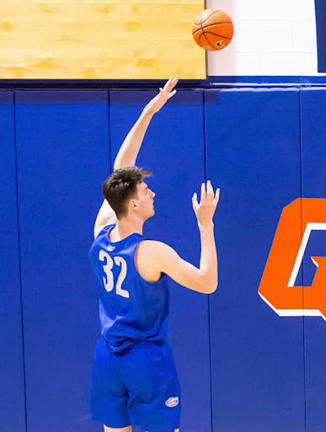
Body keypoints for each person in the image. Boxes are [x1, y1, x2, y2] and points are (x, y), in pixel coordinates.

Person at [88, 76, 221, 432]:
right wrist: (205, 225)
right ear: (132, 203)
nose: (152, 193)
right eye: (145, 190)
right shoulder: (151, 252)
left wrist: (149, 111)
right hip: (145, 359)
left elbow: (121, 165)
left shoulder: (101, 231)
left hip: (108, 355)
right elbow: (208, 283)